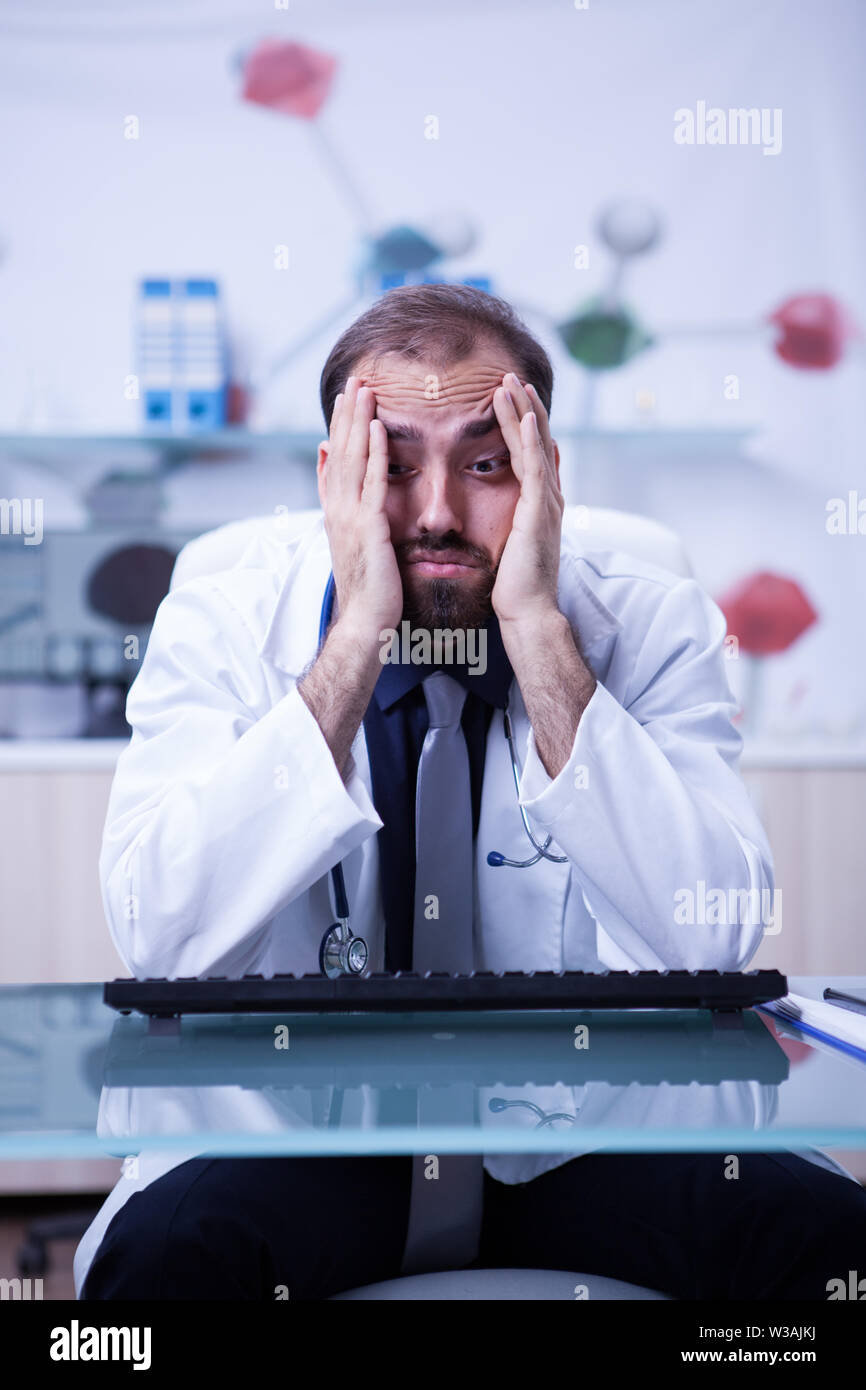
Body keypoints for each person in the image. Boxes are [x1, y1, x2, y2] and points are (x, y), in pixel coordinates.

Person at [79, 285, 866, 1300]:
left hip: (595, 1139)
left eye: (486, 464)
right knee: (162, 1272)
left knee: (827, 1248)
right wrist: (354, 639)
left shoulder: (654, 619)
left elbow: (705, 936)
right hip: (297, 1144)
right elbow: (160, 936)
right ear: (333, 480)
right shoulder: (221, 618)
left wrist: (538, 629)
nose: (438, 511)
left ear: (543, 478)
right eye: (391, 467)